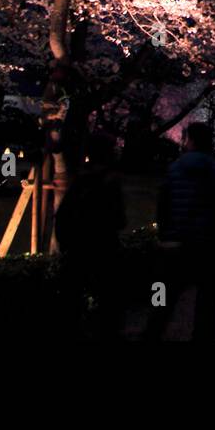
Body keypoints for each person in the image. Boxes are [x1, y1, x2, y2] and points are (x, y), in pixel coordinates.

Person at [145, 122, 215, 341]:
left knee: (164, 291)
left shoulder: (175, 168)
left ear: (191, 140)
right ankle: (203, 335)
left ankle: (153, 330)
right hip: (206, 241)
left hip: (176, 239)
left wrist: (164, 232)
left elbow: (164, 203)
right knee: (207, 296)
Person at [55, 130, 126, 339]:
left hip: (76, 249)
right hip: (103, 249)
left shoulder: (80, 179)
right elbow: (119, 219)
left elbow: (63, 217)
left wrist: (65, 244)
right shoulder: (110, 182)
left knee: (72, 302)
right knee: (108, 302)